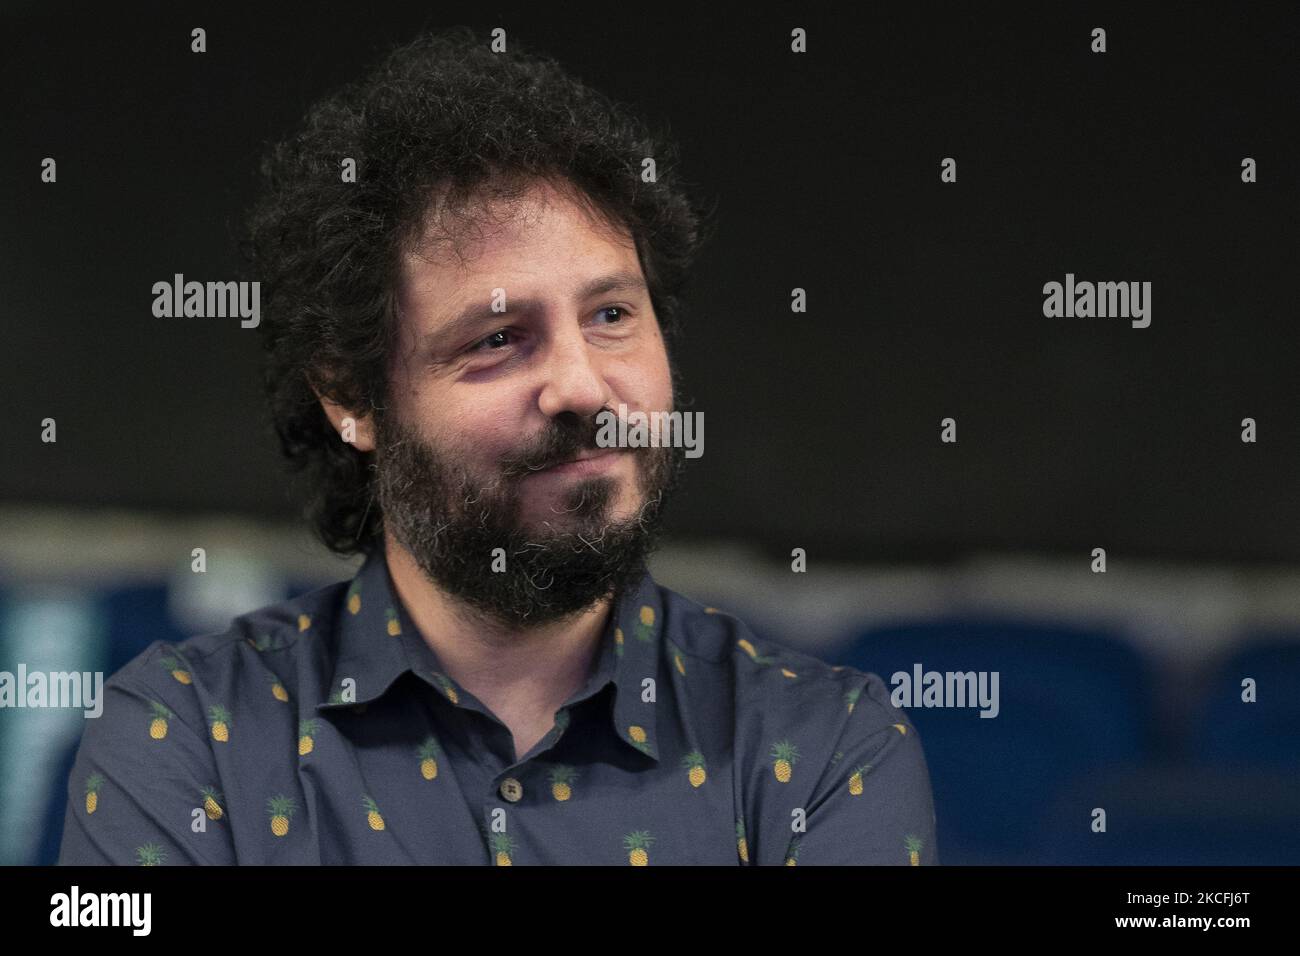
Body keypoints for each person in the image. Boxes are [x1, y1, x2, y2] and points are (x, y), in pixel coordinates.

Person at [58, 26, 937, 865]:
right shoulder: (184, 734)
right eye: (498, 337)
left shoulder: (823, 749)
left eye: (612, 316)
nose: (583, 386)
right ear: (353, 398)